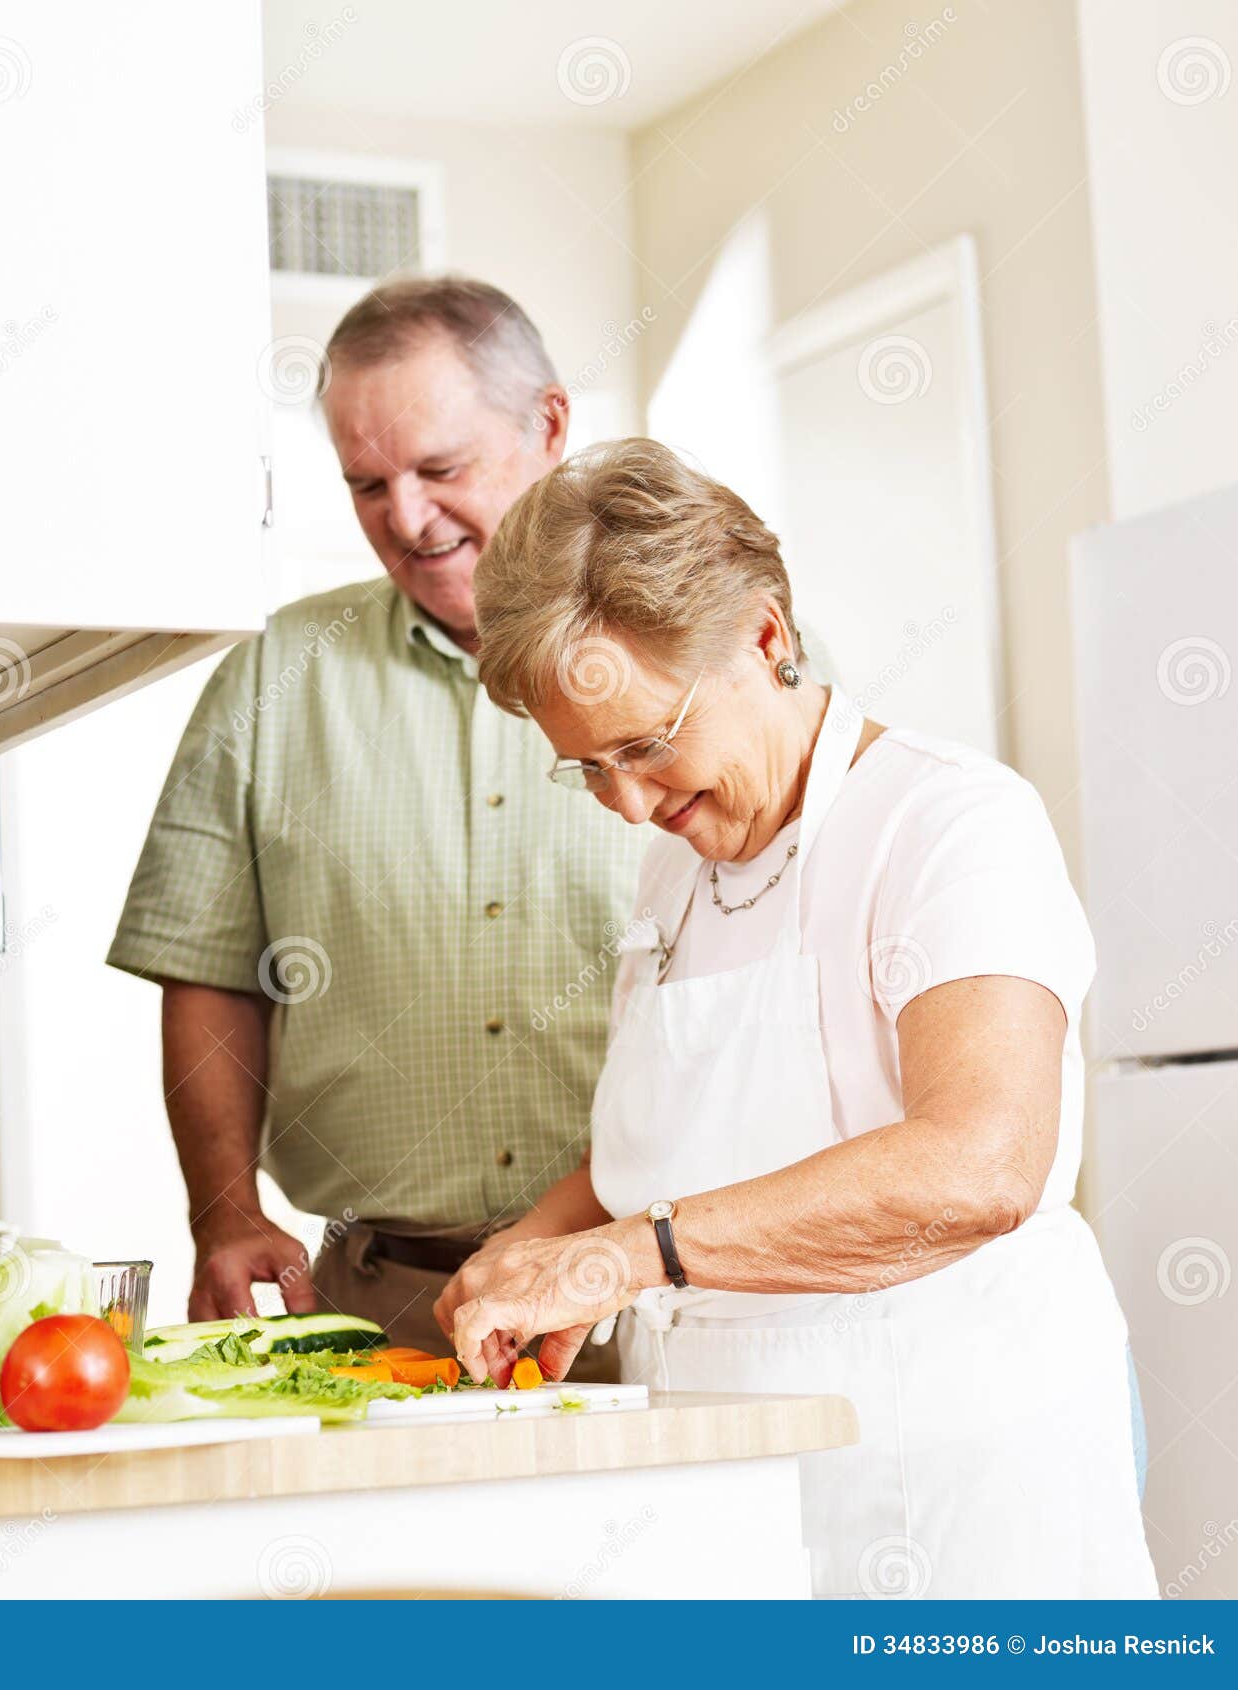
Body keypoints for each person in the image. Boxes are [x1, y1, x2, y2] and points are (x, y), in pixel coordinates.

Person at [436, 437, 1156, 1598]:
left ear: (765, 639)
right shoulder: (680, 861)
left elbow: (981, 1164)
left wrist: (629, 1258)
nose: (627, 805)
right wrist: (537, 1248)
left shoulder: (947, 822)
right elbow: (687, 1140)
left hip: (953, 1483)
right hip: (738, 1488)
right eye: (587, 770)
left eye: (646, 745)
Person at [107, 279, 645, 1364]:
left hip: (645, 1289)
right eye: (367, 484)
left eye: (441, 469)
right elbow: (207, 968)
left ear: (547, 425)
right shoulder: (269, 678)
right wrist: (222, 1208)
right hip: (375, 1305)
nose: (404, 518)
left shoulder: (702, 654)